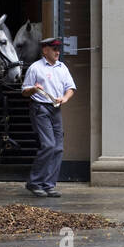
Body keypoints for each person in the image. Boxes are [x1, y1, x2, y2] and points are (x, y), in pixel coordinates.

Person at [21, 36, 77, 198]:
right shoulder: (35, 68)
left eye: (58, 49)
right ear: (45, 50)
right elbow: (25, 91)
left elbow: (71, 88)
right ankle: (35, 183)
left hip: (55, 109)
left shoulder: (62, 67)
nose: (57, 52)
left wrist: (64, 99)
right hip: (40, 109)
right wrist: (34, 89)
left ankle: (48, 185)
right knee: (48, 145)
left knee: (58, 148)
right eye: (54, 49)